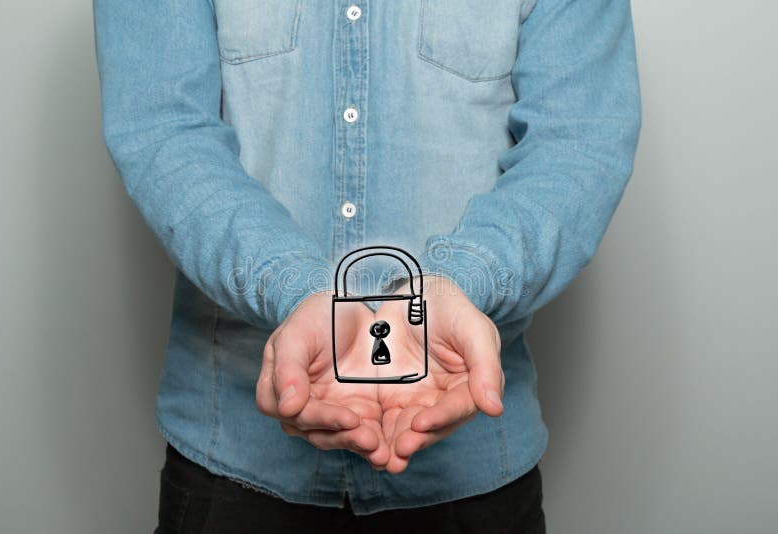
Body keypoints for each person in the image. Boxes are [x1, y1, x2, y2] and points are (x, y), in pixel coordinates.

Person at [93, 0, 641, 532]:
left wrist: (457, 282)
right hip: (231, 459)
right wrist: (294, 287)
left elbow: (578, 140)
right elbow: (163, 128)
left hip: (472, 463)